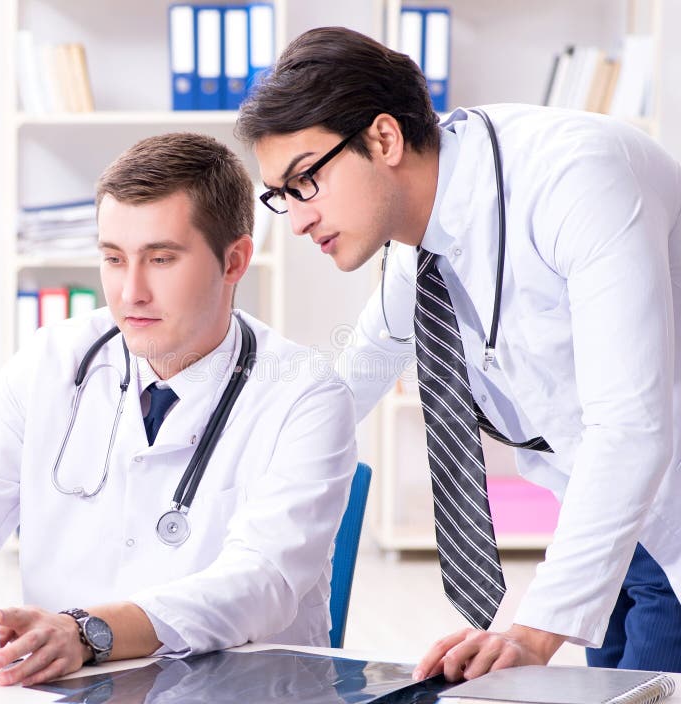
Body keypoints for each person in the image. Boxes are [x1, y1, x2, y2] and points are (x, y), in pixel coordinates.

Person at [236, 26, 681, 679]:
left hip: (660, 496)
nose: (297, 220)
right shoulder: (421, 252)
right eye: (281, 197)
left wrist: (530, 636)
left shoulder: (576, 178)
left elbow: (632, 427)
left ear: (384, 139)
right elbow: (344, 386)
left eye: (305, 182)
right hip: (608, 516)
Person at [0, 132, 357, 687]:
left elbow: (262, 581)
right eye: (113, 259)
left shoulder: (305, 394)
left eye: (162, 259)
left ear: (235, 261)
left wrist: (87, 630)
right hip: (70, 688)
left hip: (238, 689)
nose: (130, 293)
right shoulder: (50, 362)